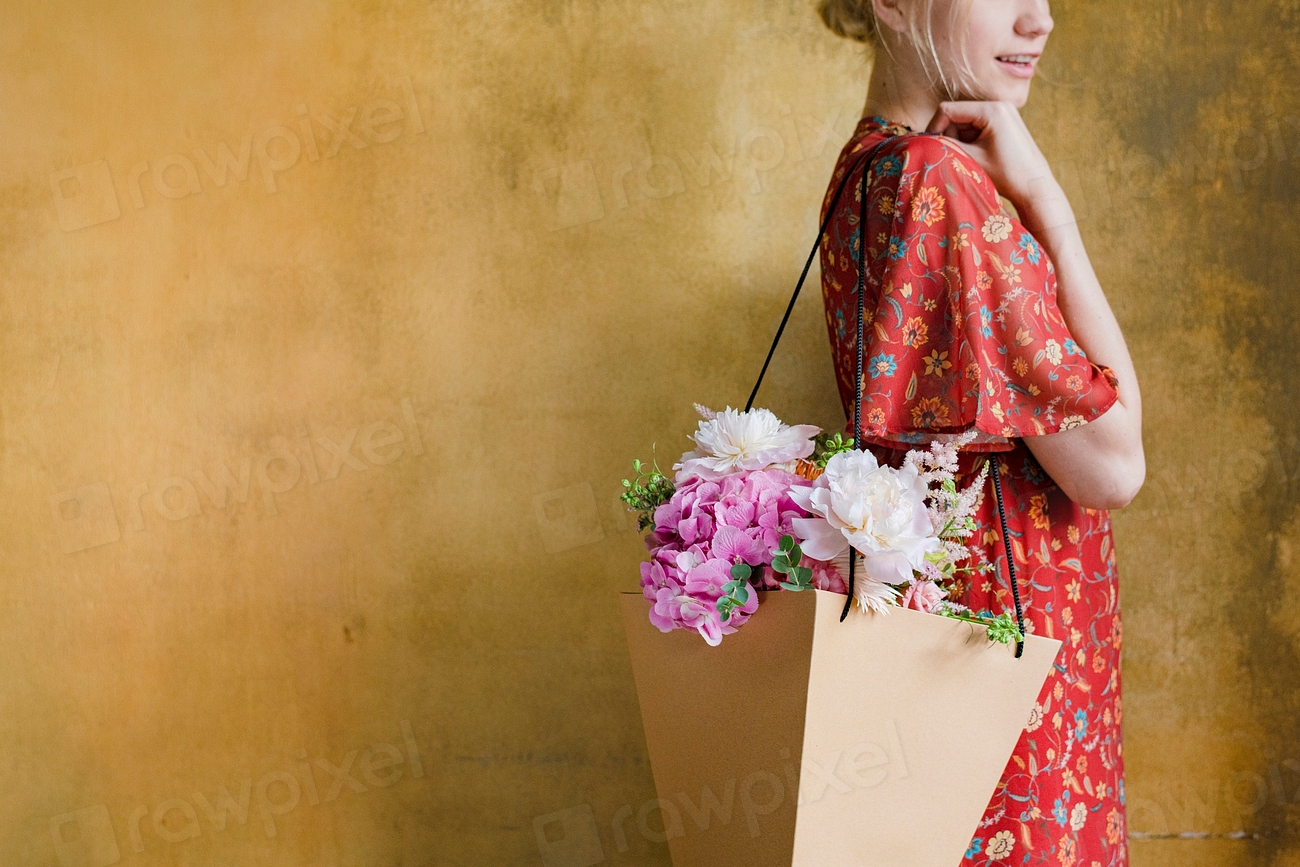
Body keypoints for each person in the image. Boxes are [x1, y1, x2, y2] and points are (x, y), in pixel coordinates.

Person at [815, 1, 1144, 864]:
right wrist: (1051, 207)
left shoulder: (864, 168)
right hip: (1005, 660)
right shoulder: (938, 178)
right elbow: (1113, 464)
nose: (1040, 20)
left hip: (944, 658)